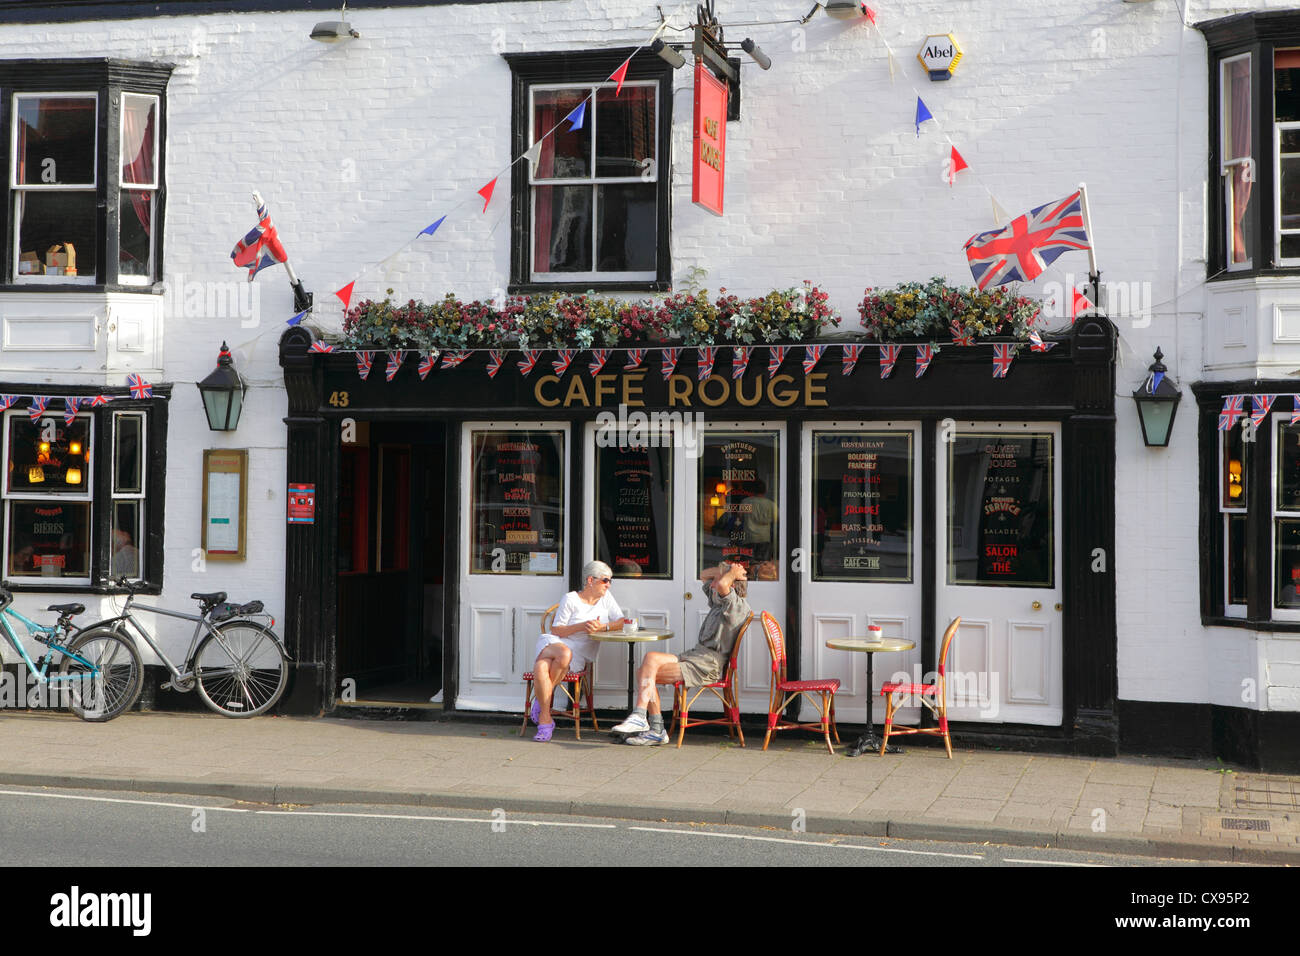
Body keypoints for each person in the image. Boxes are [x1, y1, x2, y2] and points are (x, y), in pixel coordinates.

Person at [611, 561, 750, 746]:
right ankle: (642, 718)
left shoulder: (736, 606)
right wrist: (725, 571)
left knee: (644, 674)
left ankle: (653, 727)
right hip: (695, 656)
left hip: (706, 665)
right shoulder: (720, 601)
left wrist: (731, 573)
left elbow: (723, 584)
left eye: (717, 580)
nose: (713, 584)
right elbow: (703, 574)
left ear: (731, 585)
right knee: (650, 660)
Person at [529, 560, 628, 742]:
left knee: (543, 665)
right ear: (591, 580)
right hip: (558, 642)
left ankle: (541, 704)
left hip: (581, 651)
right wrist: (582, 626)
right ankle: (545, 718)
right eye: (605, 580)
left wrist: (603, 627)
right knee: (563, 654)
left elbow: (621, 621)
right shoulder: (571, 598)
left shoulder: (606, 598)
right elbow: (557, 630)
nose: (608, 585)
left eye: (610, 581)